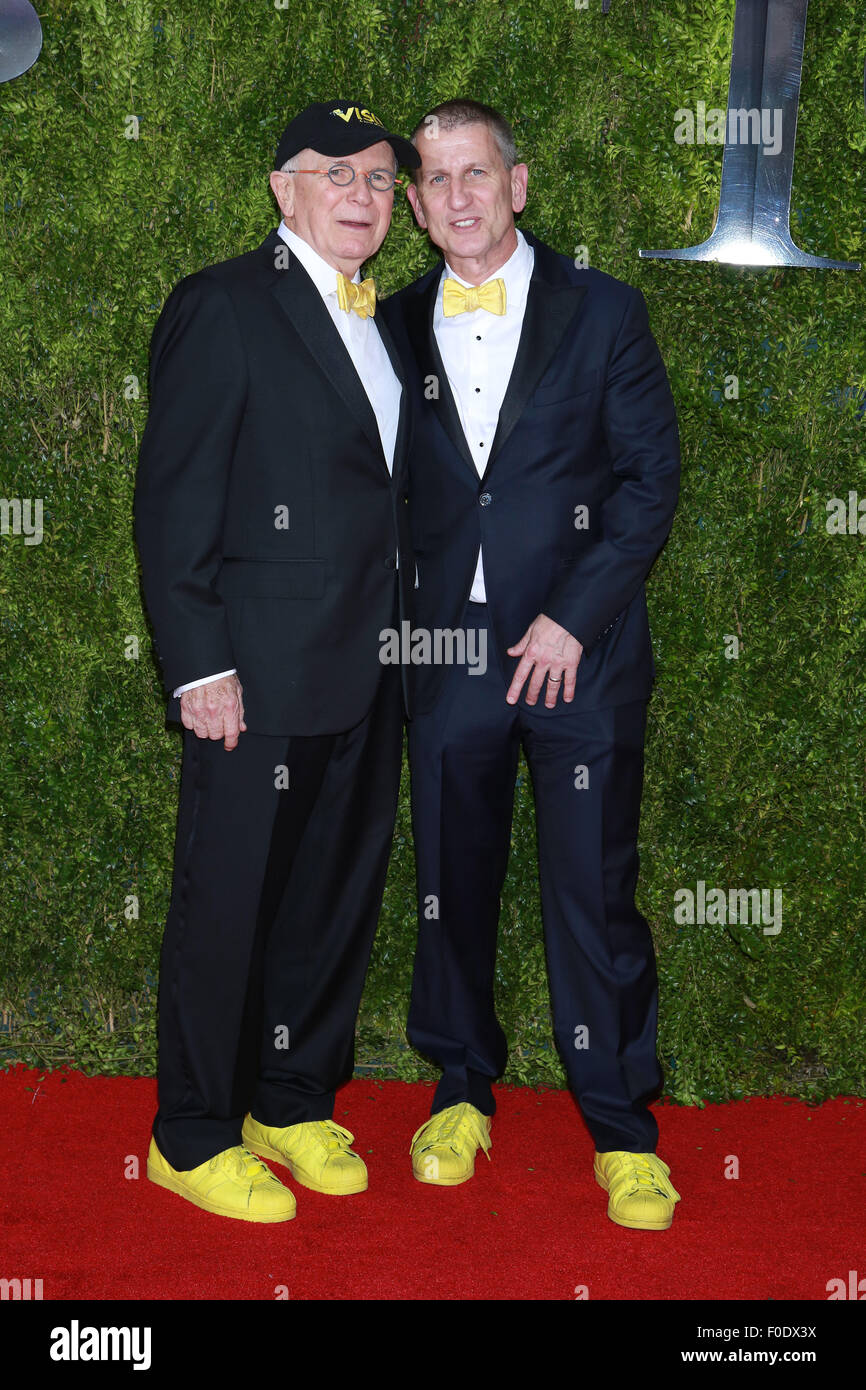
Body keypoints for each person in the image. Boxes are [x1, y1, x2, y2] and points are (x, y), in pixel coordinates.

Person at [381, 99, 682, 1230]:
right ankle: (461, 1086)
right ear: (413, 205)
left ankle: (618, 1125)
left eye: (475, 172)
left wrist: (568, 617)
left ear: (518, 182)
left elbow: (649, 483)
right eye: (432, 179)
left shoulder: (603, 311)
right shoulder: (392, 321)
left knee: (591, 895)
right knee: (448, 884)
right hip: (447, 652)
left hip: (580, 655)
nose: (454, 195)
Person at [134, 101, 420, 1222]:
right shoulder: (222, 304)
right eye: (336, 172)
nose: (363, 193)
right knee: (229, 902)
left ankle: (292, 1097)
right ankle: (191, 1130)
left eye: (382, 178)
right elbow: (175, 501)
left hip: (373, 666)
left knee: (330, 900)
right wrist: (199, 663)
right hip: (253, 674)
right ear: (282, 189)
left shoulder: (391, 320)